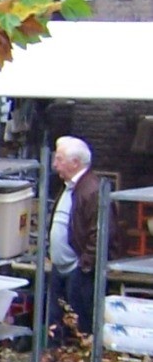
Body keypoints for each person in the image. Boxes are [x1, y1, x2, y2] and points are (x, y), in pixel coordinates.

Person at [54, 135, 117, 336]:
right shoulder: (70, 187)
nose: (55, 165)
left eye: (59, 159)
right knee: (59, 323)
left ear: (75, 162)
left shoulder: (91, 190)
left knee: (81, 324)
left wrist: (84, 265)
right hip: (62, 267)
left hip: (78, 270)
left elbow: (101, 232)